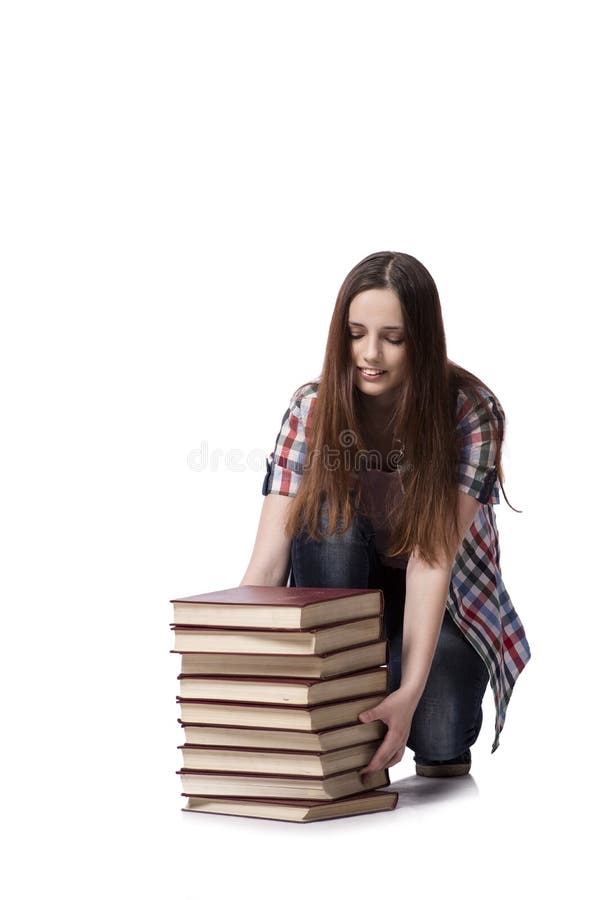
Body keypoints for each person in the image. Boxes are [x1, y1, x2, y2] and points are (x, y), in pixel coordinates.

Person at [240, 250, 531, 779]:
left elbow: (431, 559)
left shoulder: (469, 411)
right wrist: (241, 675)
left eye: (393, 338)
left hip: (442, 601)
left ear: (421, 339)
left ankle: (391, 698)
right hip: (342, 596)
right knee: (327, 505)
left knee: (438, 734)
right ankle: (341, 694)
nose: (370, 354)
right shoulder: (311, 409)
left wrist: (409, 691)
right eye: (355, 334)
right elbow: (265, 567)